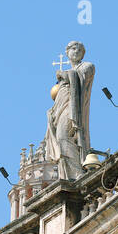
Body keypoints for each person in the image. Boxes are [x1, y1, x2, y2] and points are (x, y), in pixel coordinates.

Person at [45, 41, 95, 180]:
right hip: (60, 110)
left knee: (64, 136)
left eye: (80, 49)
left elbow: (79, 78)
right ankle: (67, 175)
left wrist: (65, 75)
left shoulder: (88, 66)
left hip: (73, 110)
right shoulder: (65, 77)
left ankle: (76, 173)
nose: (76, 51)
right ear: (67, 52)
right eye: (73, 49)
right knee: (60, 140)